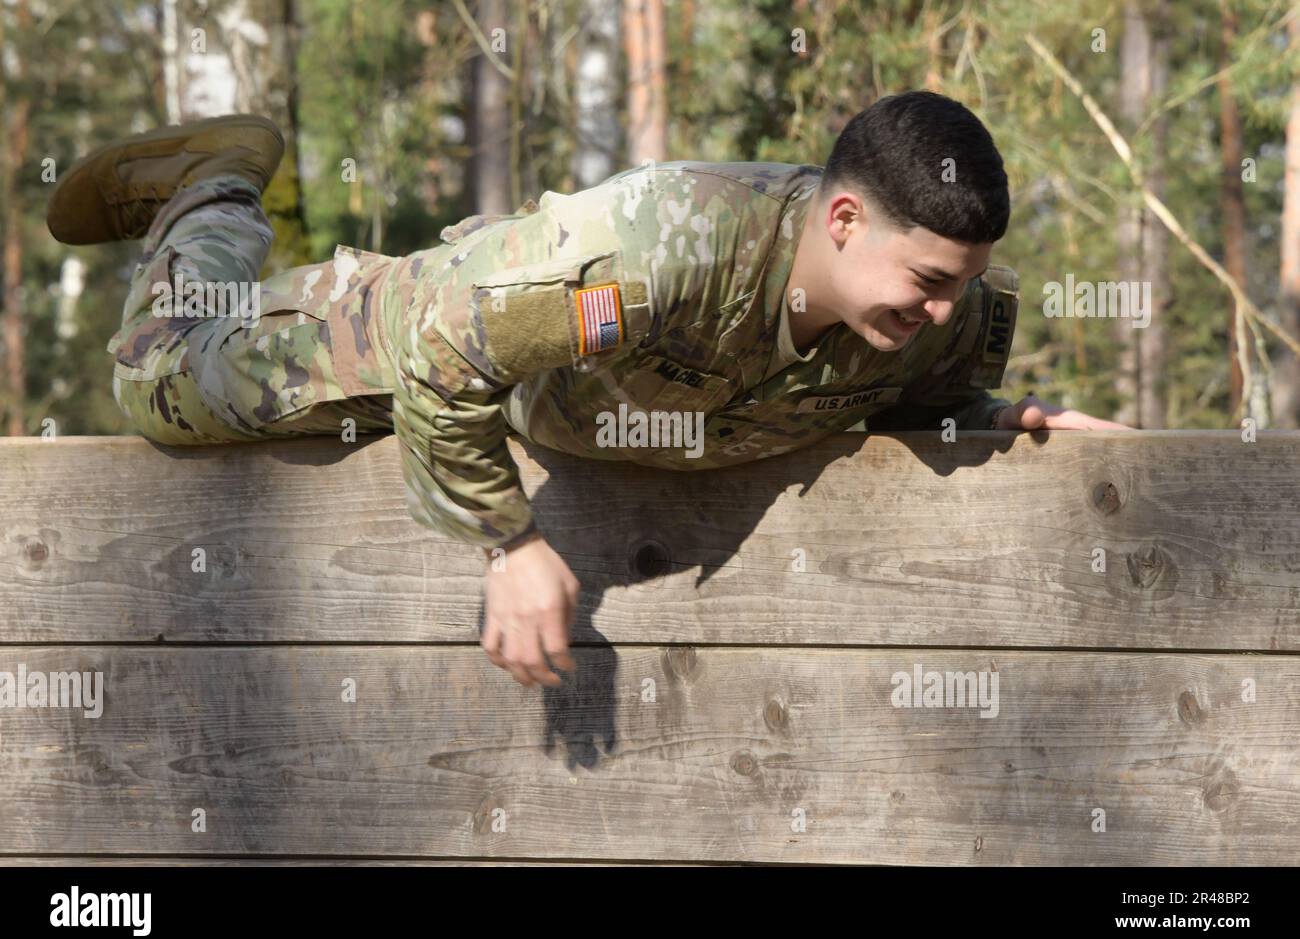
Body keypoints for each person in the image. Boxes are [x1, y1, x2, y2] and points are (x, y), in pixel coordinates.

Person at [46, 91, 1129, 691]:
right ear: (842, 223)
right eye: (929, 283)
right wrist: (505, 541)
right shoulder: (657, 254)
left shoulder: (937, 318)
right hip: (436, 322)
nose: (944, 314)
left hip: (534, 388)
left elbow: (902, 402)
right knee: (159, 380)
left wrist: (998, 426)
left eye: (964, 288)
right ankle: (217, 183)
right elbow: (442, 350)